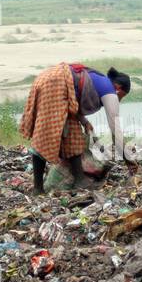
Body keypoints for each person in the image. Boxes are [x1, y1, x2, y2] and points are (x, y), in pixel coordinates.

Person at [20, 63, 131, 192]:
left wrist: (84, 121)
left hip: (50, 79)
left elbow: (74, 100)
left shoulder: (100, 81)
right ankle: (38, 189)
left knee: (73, 134)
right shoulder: (109, 90)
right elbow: (115, 128)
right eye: (121, 96)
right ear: (118, 88)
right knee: (45, 135)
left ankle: (80, 180)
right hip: (55, 84)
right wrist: (128, 159)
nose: (119, 100)